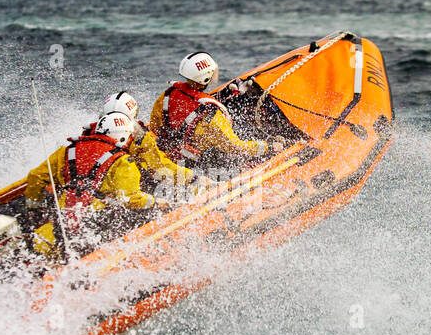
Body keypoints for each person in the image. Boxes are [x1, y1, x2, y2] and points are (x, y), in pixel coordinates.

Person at [23, 112, 159, 256]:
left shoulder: (66, 152)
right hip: (95, 230)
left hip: (59, 227)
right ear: (123, 136)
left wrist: (35, 209)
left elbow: (35, 177)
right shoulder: (123, 162)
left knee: (38, 252)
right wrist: (154, 202)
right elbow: (130, 198)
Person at [149, 51, 279, 168]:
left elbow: (156, 126)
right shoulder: (213, 116)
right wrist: (268, 146)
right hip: (196, 162)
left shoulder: (168, 94)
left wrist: (225, 95)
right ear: (206, 78)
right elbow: (235, 147)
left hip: (172, 149)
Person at [95, 90, 205, 198]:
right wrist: (193, 178)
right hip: (131, 191)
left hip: (97, 191)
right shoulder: (140, 138)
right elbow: (159, 166)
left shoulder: (92, 133)